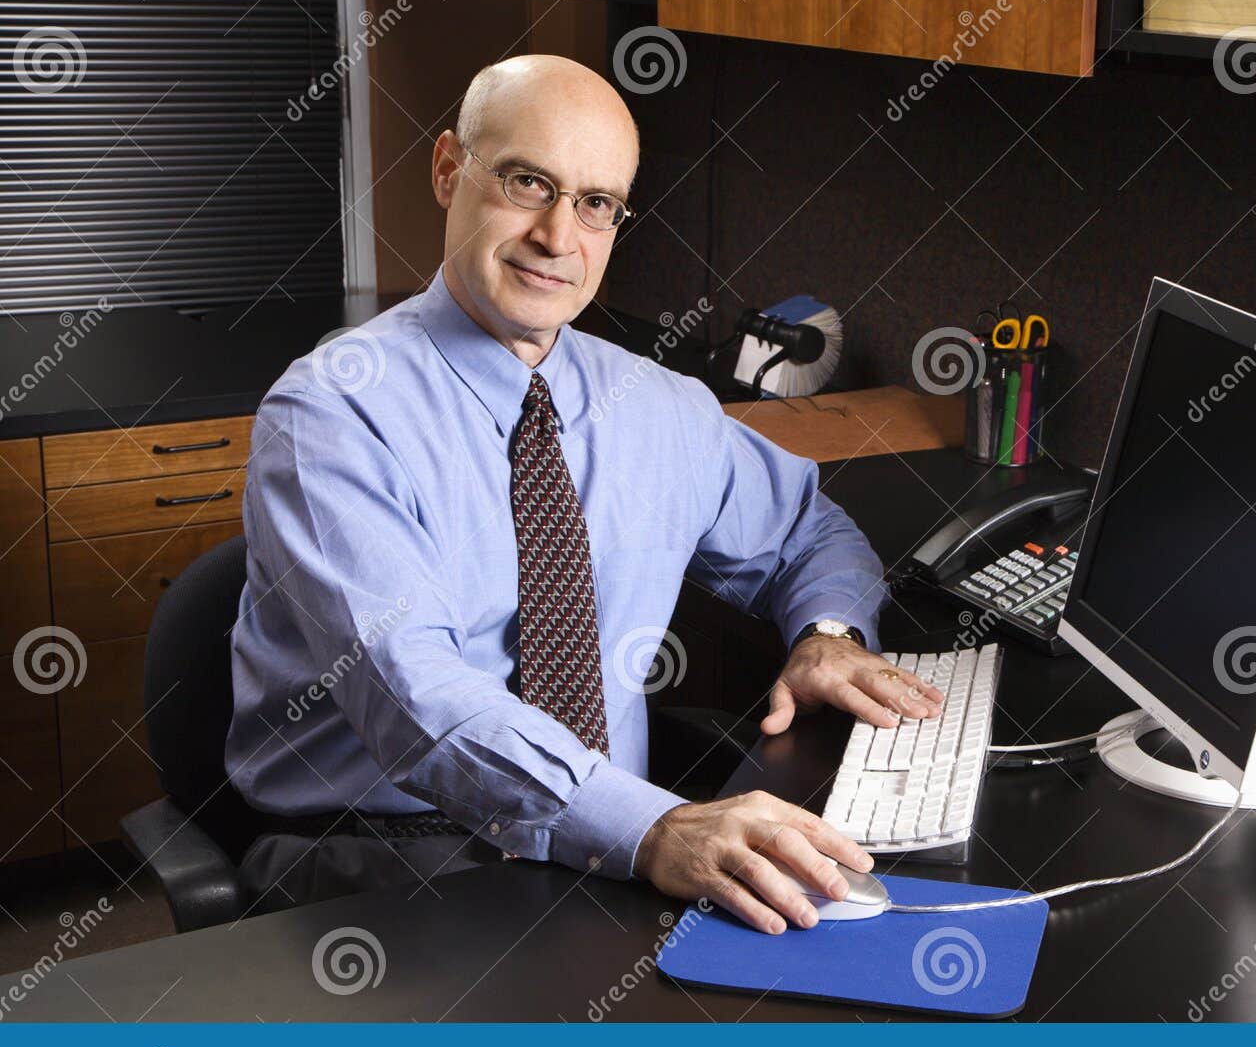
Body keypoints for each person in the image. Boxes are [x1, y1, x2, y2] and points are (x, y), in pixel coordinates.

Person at [226, 55, 944, 935]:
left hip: (606, 830)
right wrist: (650, 827)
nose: (559, 236)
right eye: (529, 183)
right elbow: (416, 697)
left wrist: (827, 635)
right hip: (382, 849)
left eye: (597, 204)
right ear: (449, 168)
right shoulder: (333, 412)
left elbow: (806, 528)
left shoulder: (655, 405)